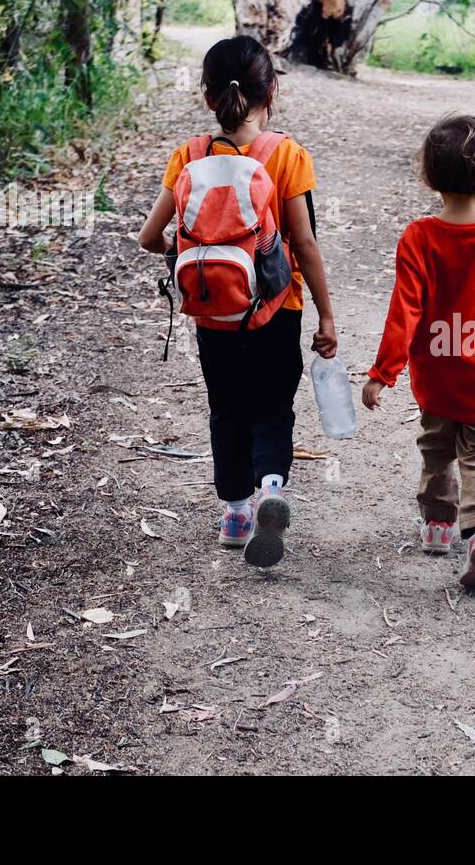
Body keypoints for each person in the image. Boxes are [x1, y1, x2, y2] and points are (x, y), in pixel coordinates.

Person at [138, 36, 338, 568]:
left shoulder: (189, 155)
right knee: (273, 404)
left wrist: (185, 252)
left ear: (208, 97)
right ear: (271, 90)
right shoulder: (287, 155)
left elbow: (149, 236)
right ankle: (272, 484)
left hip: (214, 312)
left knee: (226, 407)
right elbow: (305, 243)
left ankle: (234, 513)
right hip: (278, 308)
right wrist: (327, 314)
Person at [362, 115, 475, 589]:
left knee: (437, 445)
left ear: (430, 176)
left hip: (437, 371)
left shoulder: (419, 237)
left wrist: (383, 372)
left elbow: (405, 311)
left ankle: (438, 525)